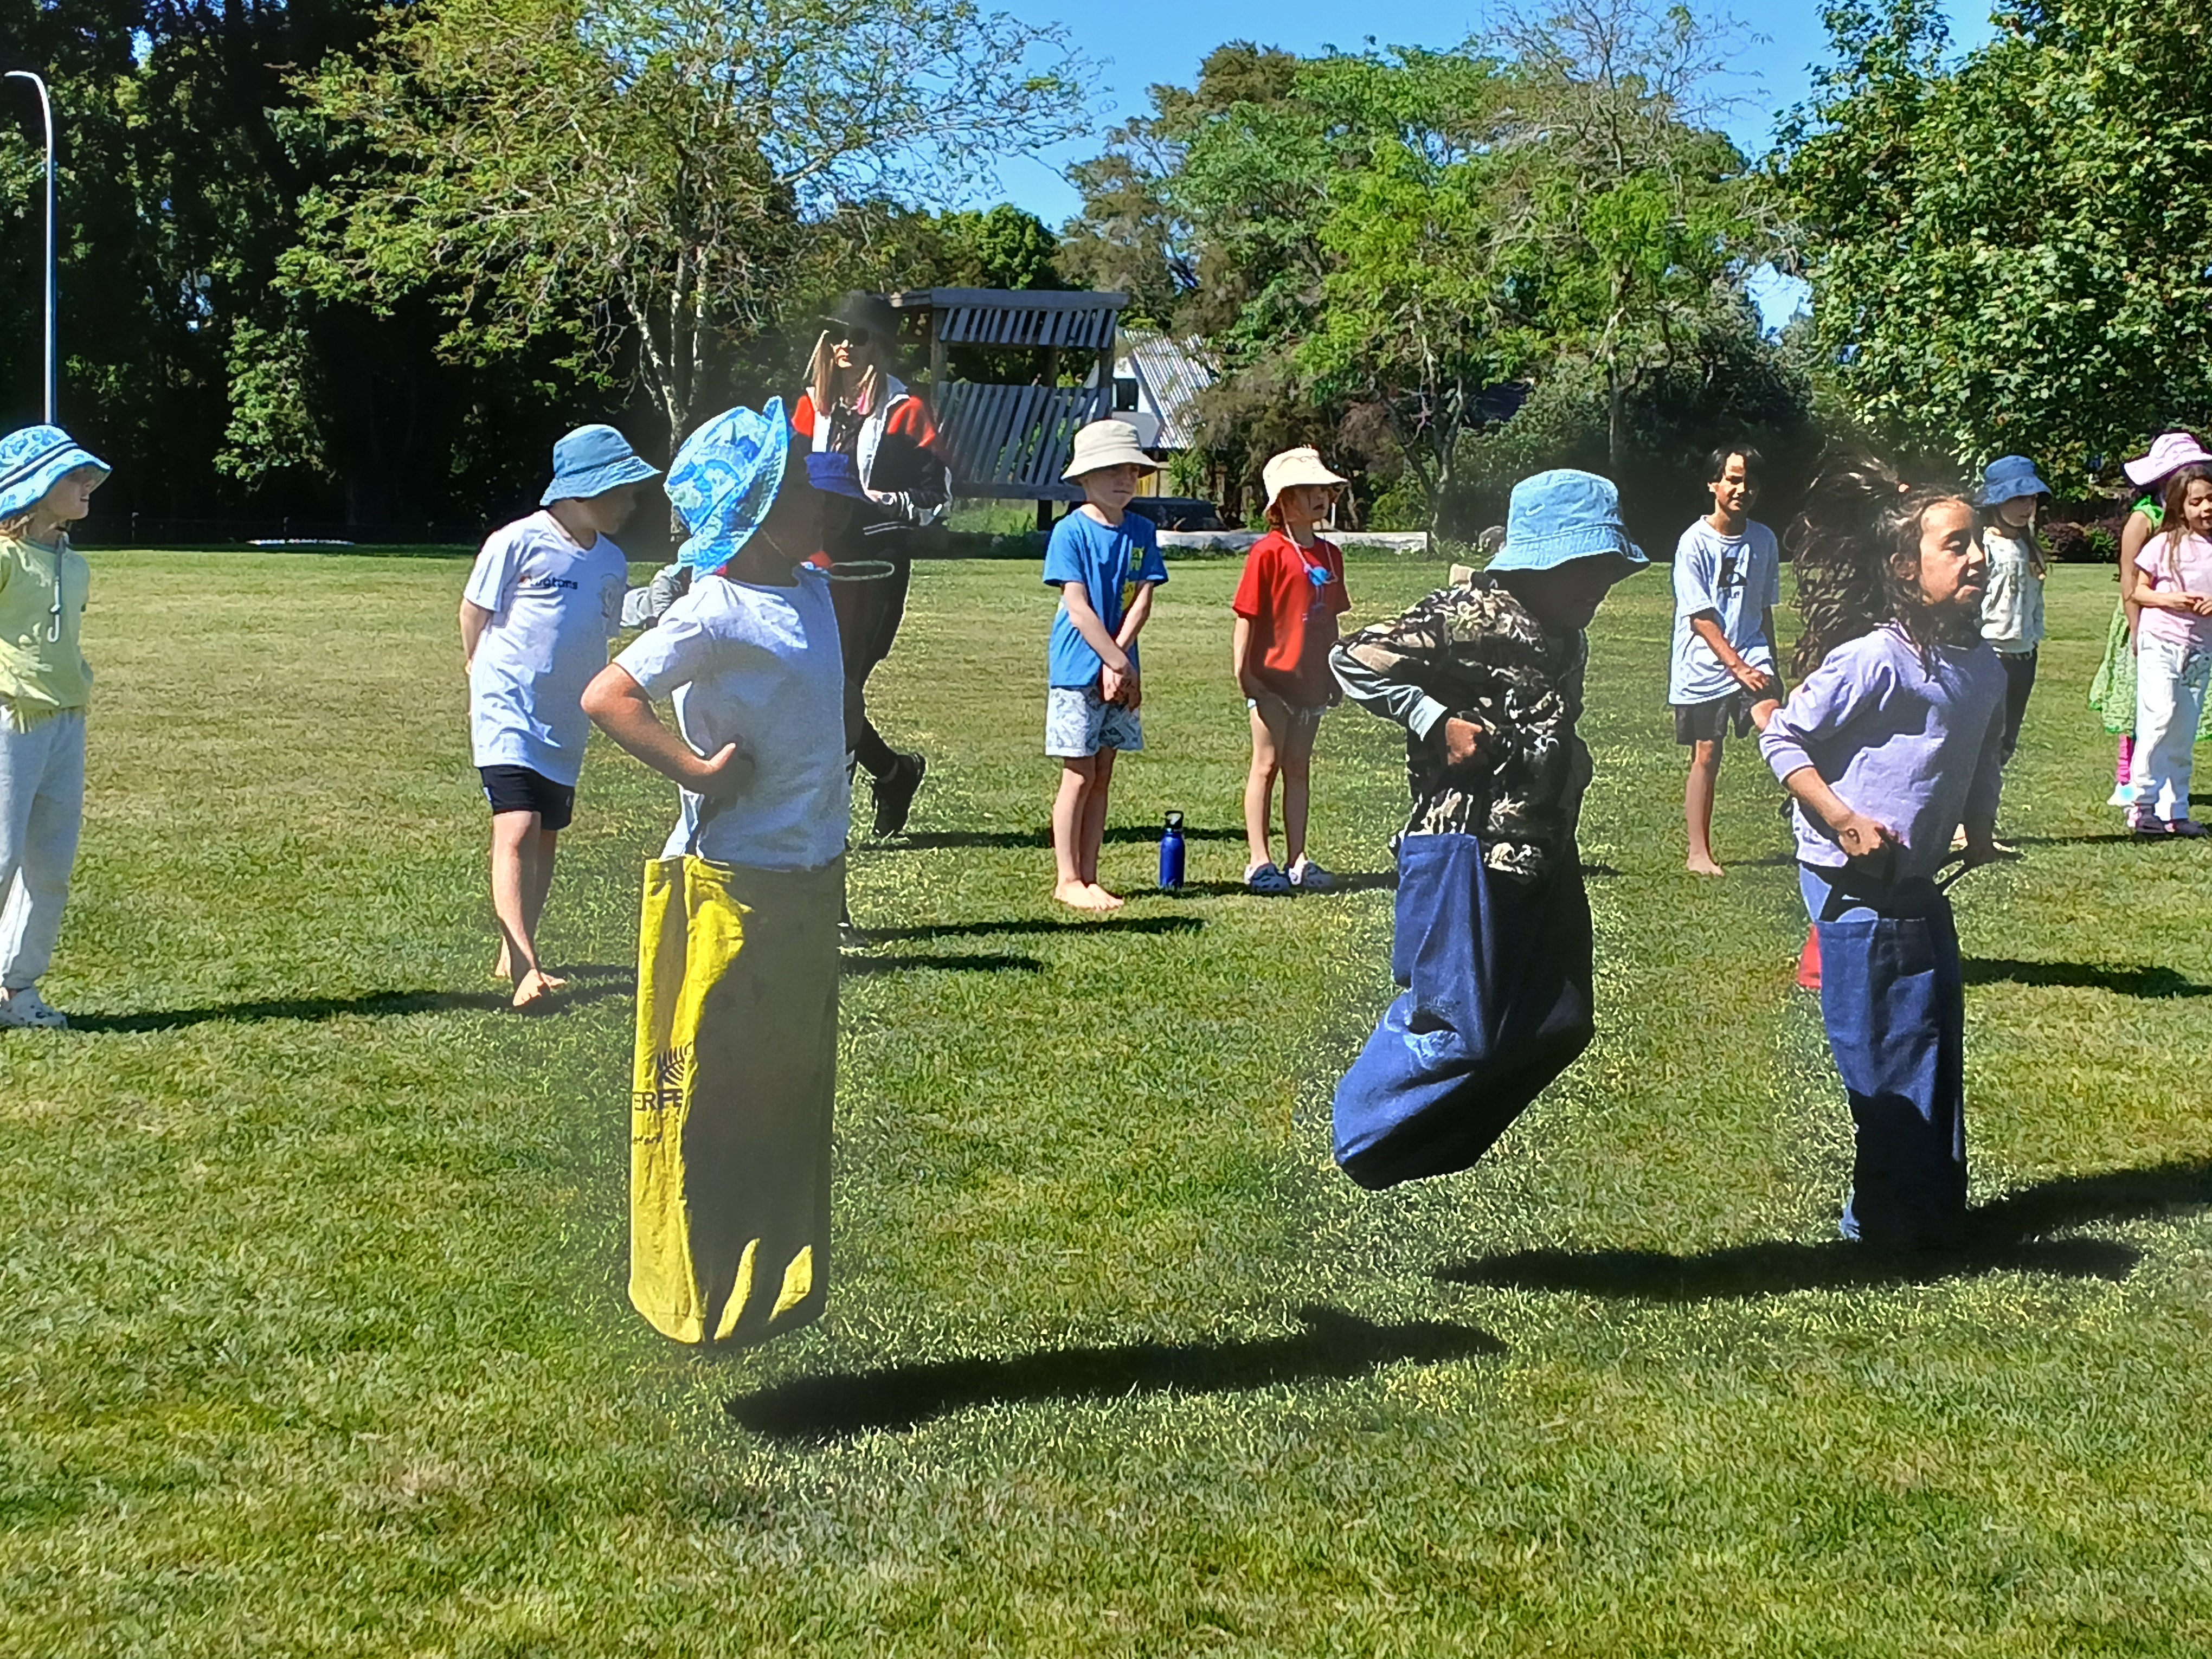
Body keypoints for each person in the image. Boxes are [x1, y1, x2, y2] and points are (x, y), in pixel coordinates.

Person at [581, 401, 845, 1345]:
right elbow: (609, 694)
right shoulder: (716, 609)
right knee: (708, 1102)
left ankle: (774, 1284)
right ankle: (693, 1294)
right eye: (799, 489)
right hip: (733, 885)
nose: (820, 501)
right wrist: (693, 772)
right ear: (761, 513)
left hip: (812, 881)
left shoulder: (809, 591)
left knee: (787, 1088)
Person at [1326, 470, 1647, 1188]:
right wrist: (1434, 720)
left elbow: (1550, 717)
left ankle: (1424, 1144)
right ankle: (1362, 1132)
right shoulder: (1464, 613)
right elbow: (1351, 659)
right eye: (1588, 570)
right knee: (1457, 1031)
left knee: (1561, 1021)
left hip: (1544, 847)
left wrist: (1571, 757)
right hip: (1465, 847)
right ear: (1543, 561)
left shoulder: (1569, 638)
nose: (1600, 586)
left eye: (1608, 572)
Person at [1758, 459, 2007, 1252]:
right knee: (1886, 1049)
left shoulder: (1985, 667)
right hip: (1852, 879)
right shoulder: (1876, 658)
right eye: (1956, 544)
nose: (1977, 558)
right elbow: (1782, 734)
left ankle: (1931, 1208)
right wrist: (1841, 816)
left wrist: (1979, 826)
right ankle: (1884, 1226)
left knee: (1931, 1035)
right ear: (1906, 568)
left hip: (1916, 881)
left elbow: (1980, 758)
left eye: (1980, 544)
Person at [460, 423, 659, 1008]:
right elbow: (475, 610)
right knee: (516, 827)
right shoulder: (516, 543)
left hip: (566, 721)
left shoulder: (613, 562)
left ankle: (515, 942)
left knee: (545, 837)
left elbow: (607, 621)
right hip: (508, 710)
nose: (630, 503)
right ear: (582, 491)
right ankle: (527, 969)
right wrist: (477, 668)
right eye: (621, 491)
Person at [793, 291, 950, 837]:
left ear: (878, 346)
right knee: (816, 685)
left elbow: (938, 496)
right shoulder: (808, 406)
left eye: (856, 336)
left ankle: (825, 820)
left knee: (842, 685)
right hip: (811, 564)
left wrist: (879, 502)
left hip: (875, 567)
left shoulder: (907, 410)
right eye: (835, 334)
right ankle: (891, 771)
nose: (843, 345)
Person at [0, 425, 108, 1031]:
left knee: (50, 862)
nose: (89, 484)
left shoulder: (78, 565)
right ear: (32, 487)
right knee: (0, 855)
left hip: (67, 718)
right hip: (10, 716)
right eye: (74, 475)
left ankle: (18, 987)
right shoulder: (4, 557)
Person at [1044, 420, 1169, 912]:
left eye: (1131, 471)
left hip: (1121, 667)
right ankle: (1067, 877)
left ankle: (1091, 875)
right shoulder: (1069, 531)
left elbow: (1143, 598)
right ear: (1085, 477)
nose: (1124, 480)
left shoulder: (1142, 530)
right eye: (1111, 470)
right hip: (1079, 668)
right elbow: (1077, 607)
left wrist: (1122, 661)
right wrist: (1114, 660)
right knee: (1077, 773)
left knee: (1102, 771)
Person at [1232, 447, 1352, 893]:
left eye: (1323, 489)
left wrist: (1337, 671)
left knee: (1299, 767)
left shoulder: (1331, 555)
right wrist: (1245, 675)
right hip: (1271, 680)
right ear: (1282, 503)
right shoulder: (1267, 553)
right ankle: (1260, 862)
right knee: (1266, 765)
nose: (1319, 498)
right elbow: (1246, 617)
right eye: (1306, 491)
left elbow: (1333, 618)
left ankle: (1298, 858)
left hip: (1313, 681)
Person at [1668, 445, 1783, 875]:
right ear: (1714, 484)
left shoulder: (1765, 539)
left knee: (1778, 726)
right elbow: (1700, 618)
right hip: (1704, 662)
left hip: (1752, 653)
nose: (1742, 488)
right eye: (1733, 479)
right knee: (1707, 752)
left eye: (1750, 481)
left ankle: (1812, 816)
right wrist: (1736, 668)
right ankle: (1699, 852)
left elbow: (1763, 608)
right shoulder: (1693, 543)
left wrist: (1768, 662)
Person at [2090, 432, 2212, 808]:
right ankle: (2131, 782)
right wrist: (2137, 624)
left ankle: (2170, 795)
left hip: (2193, 638)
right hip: (2150, 623)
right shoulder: (2146, 520)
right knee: (2143, 705)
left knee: (2178, 713)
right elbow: (2131, 578)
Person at [2126, 461, 2212, 836]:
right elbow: (2138, 590)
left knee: (2183, 730)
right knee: (2159, 717)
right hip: (2161, 642)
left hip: (2199, 651)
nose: (2206, 508)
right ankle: (2141, 804)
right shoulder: (2164, 543)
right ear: (2180, 506)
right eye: (2197, 502)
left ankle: (2176, 811)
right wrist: (2171, 599)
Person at [1973, 456, 2050, 845]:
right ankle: (1959, 821)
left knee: (2004, 742)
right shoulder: (1982, 546)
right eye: (2018, 498)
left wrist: (2034, 639)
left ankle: (1982, 819)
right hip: (1990, 653)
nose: (2026, 506)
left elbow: (2034, 604)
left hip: (2023, 656)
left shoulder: (2029, 547)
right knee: (1977, 740)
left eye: (2032, 499)